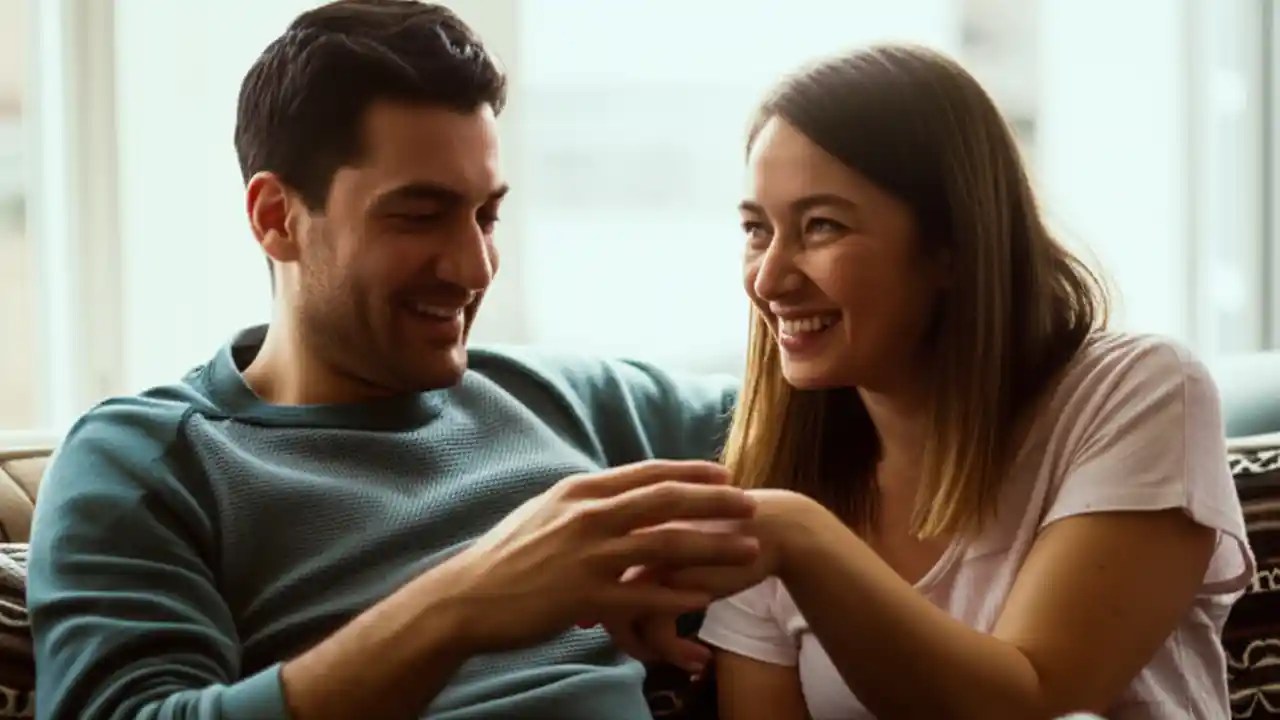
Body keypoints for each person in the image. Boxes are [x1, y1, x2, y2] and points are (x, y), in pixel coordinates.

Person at [26, 2, 762, 718]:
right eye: (419, 216)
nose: (474, 268)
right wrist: (463, 605)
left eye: (486, 216)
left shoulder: (561, 399)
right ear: (276, 218)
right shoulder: (147, 462)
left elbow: (811, 416)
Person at [612, 45, 1255, 719]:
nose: (769, 279)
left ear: (952, 246)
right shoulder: (782, 486)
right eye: (756, 230)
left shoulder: (1138, 392)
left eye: (821, 226)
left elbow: (1041, 704)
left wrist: (800, 539)